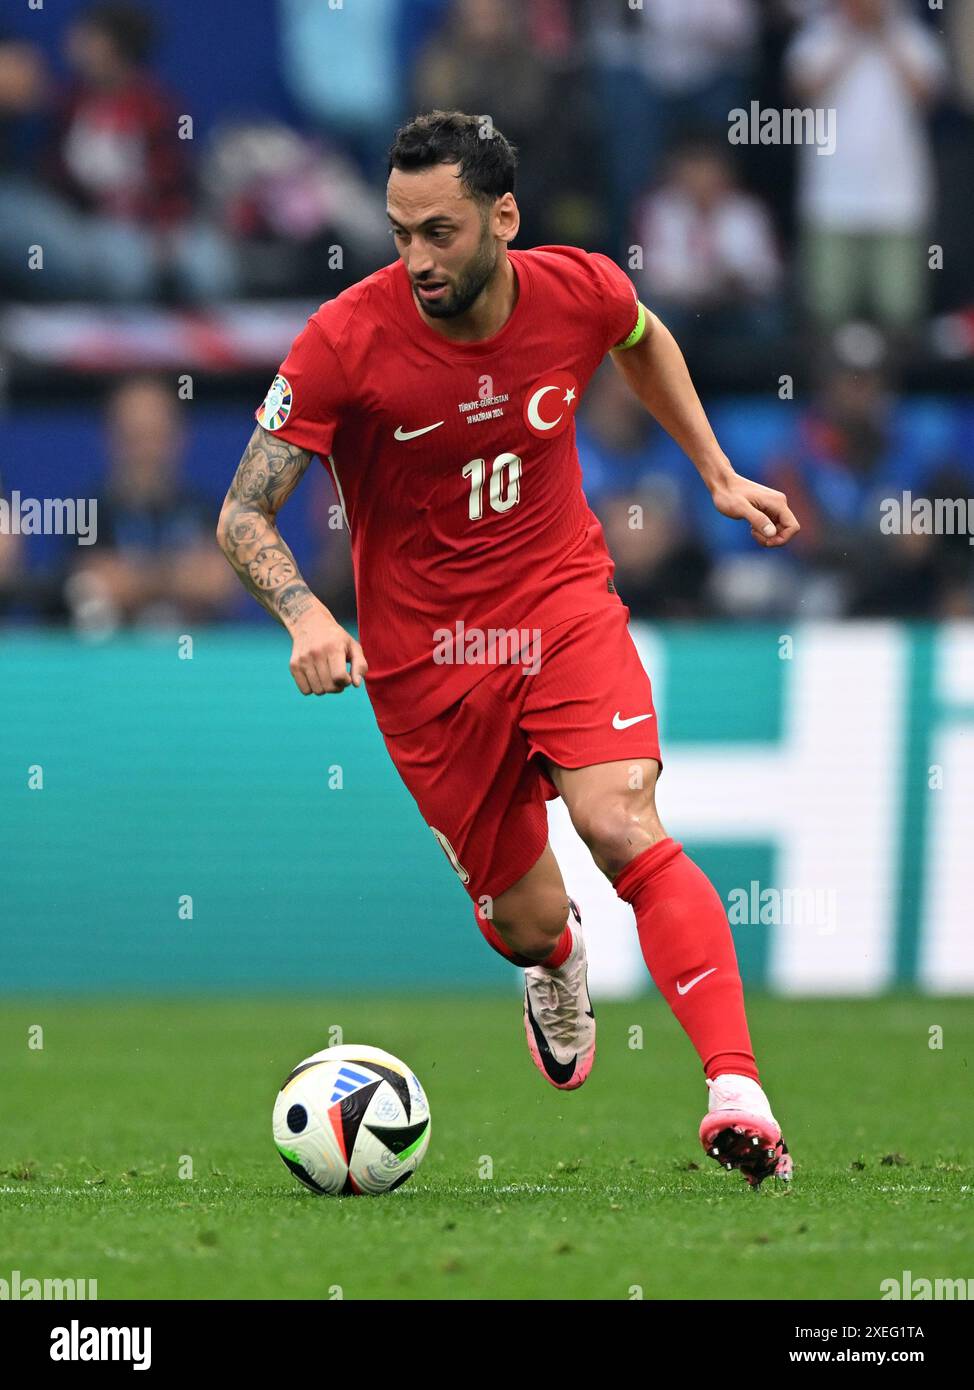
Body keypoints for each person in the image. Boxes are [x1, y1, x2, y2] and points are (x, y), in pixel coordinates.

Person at [217, 111, 800, 1186]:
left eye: (438, 232)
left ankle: (736, 1091)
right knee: (527, 920)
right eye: (398, 234)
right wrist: (304, 612)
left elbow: (641, 334)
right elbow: (243, 513)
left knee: (618, 820)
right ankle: (558, 960)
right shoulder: (345, 338)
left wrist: (715, 470)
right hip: (425, 666)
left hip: (558, 605)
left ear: (502, 217)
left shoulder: (573, 287)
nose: (416, 260)